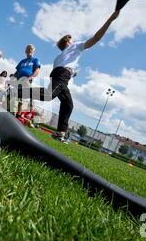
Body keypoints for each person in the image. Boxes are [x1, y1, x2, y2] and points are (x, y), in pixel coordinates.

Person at [47, 10, 120, 142]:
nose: (73, 41)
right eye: (71, 40)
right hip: (61, 76)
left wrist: (72, 72)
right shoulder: (75, 46)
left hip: (60, 76)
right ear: (68, 42)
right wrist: (110, 20)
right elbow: (96, 38)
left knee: (68, 104)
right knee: (48, 95)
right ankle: (19, 91)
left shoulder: (60, 56)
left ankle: (60, 133)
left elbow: (63, 68)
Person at [13, 44, 41, 114]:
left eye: (31, 49)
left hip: (27, 80)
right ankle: (14, 112)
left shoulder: (35, 60)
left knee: (25, 96)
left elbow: (37, 70)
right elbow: (17, 71)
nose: (29, 50)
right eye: (28, 49)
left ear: (33, 51)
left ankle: (23, 112)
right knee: (16, 98)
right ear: (25, 51)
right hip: (18, 81)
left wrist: (30, 77)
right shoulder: (22, 61)